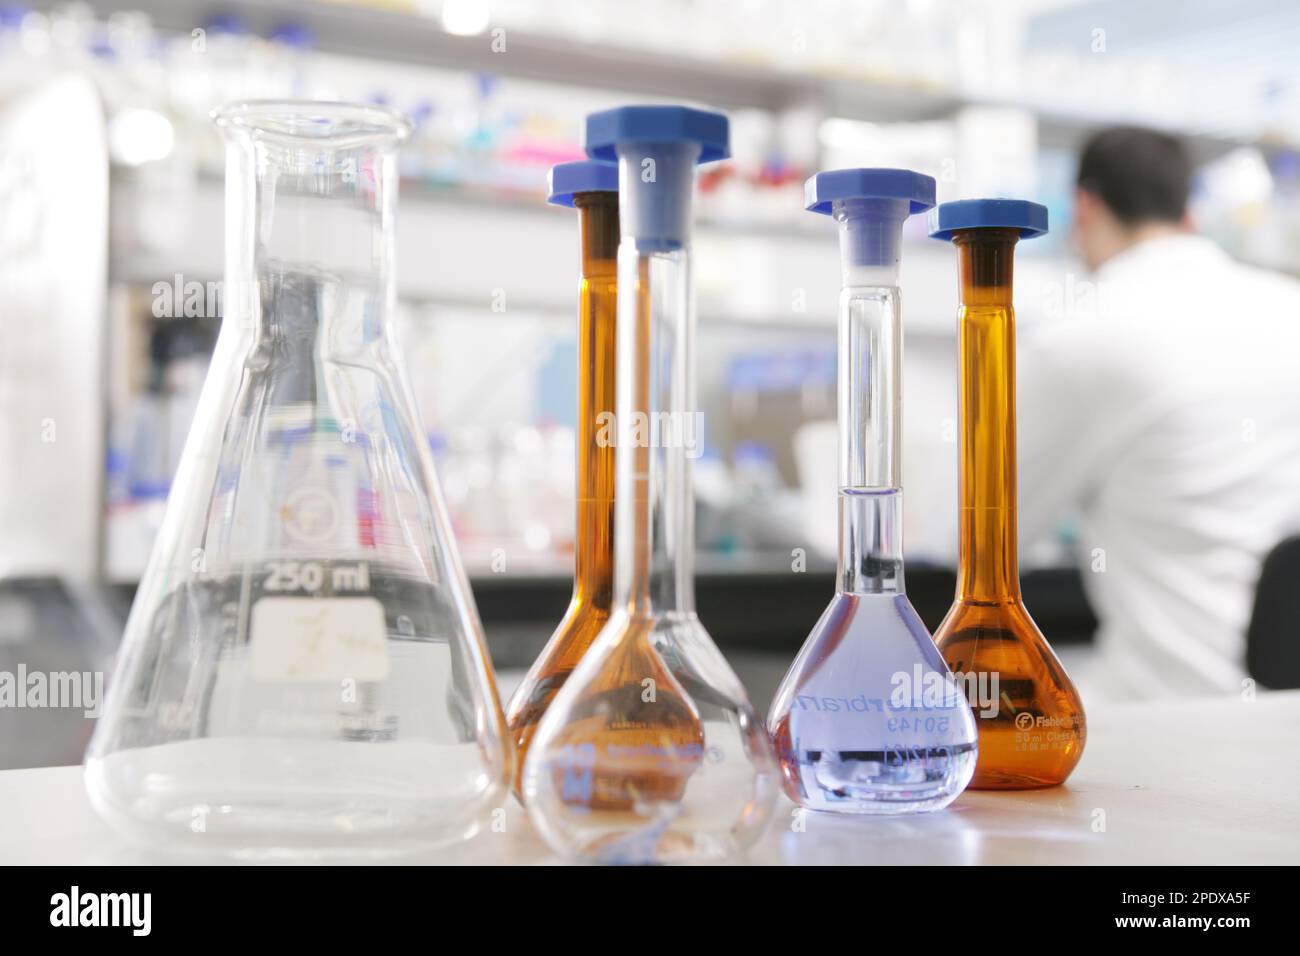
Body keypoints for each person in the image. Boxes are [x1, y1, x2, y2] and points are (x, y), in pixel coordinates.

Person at [1018, 126, 1300, 700]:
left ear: (1083, 206)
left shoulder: (1082, 333)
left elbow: (975, 533)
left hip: (1177, 711)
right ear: (1187, 208)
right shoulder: (1288, 307)